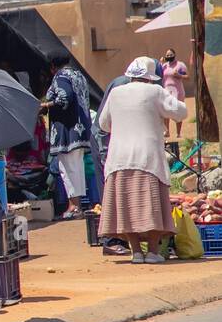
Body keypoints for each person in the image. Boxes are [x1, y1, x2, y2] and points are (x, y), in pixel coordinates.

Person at [98, 57, 188, 264]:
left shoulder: (115, 92)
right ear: (150, 77)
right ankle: (153, 252)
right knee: (152, 207)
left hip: (119, 158)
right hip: (147, 158)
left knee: (126, 206)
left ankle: (136, 252)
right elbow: (181, 112)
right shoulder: (154, 91)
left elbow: (104, 124)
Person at [39, 52, 93, 220]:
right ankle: (78, 206)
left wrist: (46, 105)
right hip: (81, 128)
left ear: (53, 67)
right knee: (76, 167)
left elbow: (65, 97)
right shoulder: (78, 75)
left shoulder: (61, 76)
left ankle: (74, 206)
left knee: (67, 168)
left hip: (67, 130)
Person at [159, 48, 188, 139]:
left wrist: (179, 75)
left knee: (177, 111)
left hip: (177, 91)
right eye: (167, 55)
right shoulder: (164, 66)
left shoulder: (180, 65)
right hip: (167, 91)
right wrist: (160, 64)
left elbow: (187, 76)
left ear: (174, 55)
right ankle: (167, 131)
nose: (169, 57)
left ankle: (178, 133)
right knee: (166, 111)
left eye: (171, 55)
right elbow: (159, 75)